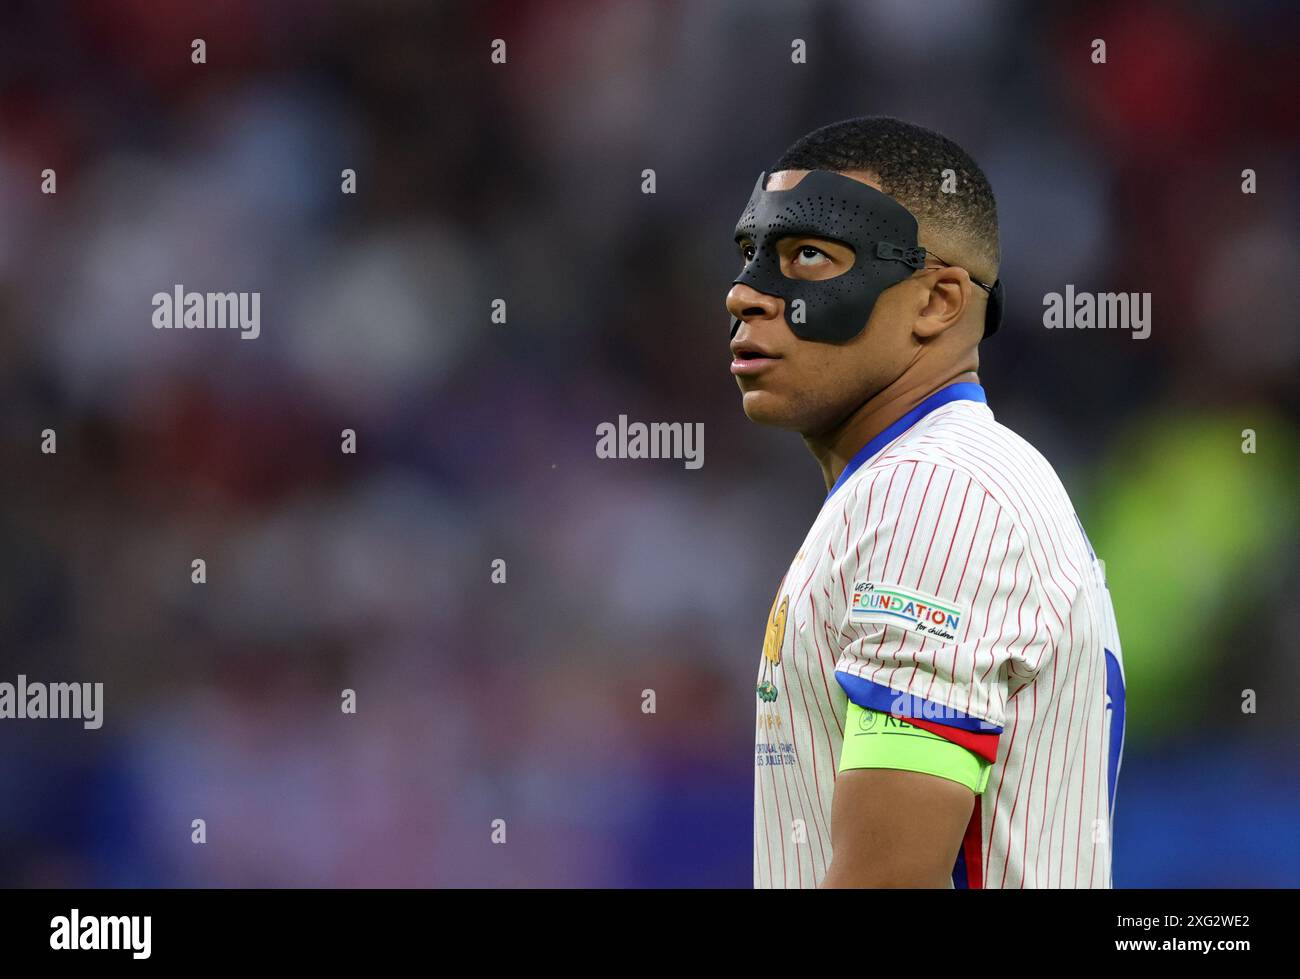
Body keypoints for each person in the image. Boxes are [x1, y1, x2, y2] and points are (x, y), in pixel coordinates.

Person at [727, 116, 1125, 888]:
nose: (746, 293)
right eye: (750, 254)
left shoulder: (935, 491)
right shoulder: (918, 484)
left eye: (807, 254)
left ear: (939, 300)